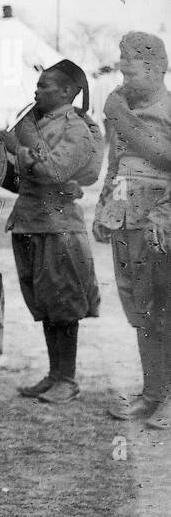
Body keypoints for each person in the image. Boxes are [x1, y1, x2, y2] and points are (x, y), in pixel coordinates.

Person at [1, 60, 103, 403]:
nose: (36, 90)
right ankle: (55, 373)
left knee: (63, 302)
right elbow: (28, 175)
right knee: (45, 302)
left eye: (45, 85)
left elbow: (57, 170)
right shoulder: (40, 122)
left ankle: (67, 379)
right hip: (32, 220)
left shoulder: (75, 128)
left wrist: (18, 149)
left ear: (66, 92)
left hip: (58, 225)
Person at [93, 32, 171, 427]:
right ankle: (153, 393)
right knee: (141, 313)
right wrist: (104, 207)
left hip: (163, 226)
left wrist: (164, 219)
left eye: (131, 63)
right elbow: (116, 162)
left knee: (167, 311)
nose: (122, 69)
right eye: (120, 61)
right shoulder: (121, 106)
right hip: (128, 222)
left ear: (158, 67)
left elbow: (165, 157)